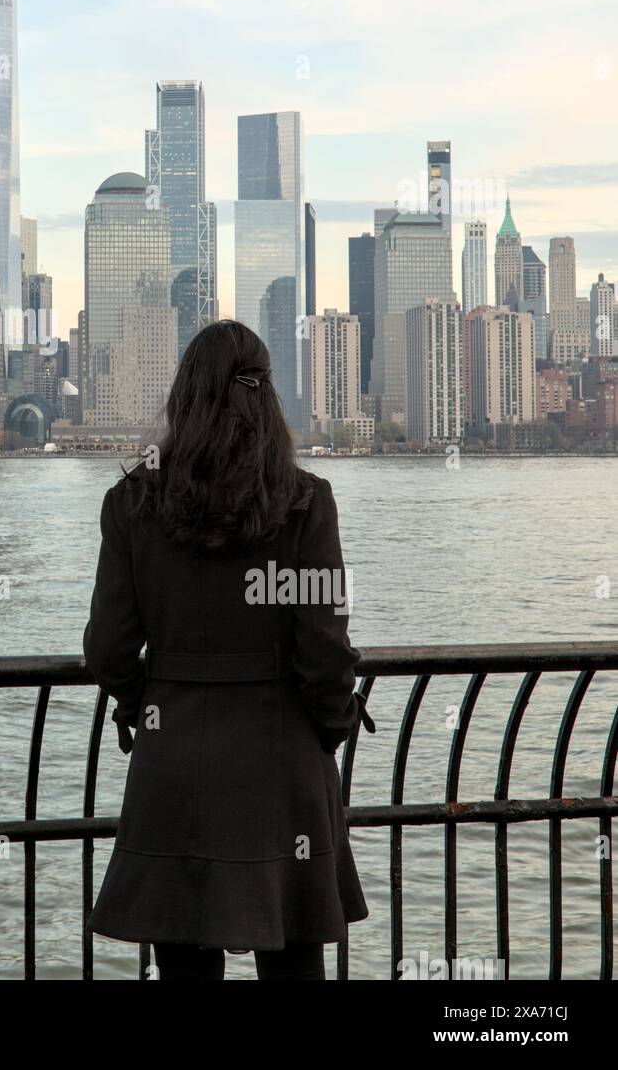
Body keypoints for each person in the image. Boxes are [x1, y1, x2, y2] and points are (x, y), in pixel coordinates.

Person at [82, 319, 372, 981]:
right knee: (295, 966)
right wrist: (330, 728)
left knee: (184, 969)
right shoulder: (306, 503)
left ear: (184, 397)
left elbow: (109, 648)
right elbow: (325, 649)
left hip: (174, 760)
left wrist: (140, 706)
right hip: (284, 767)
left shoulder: (131, 503)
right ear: (266, 398)